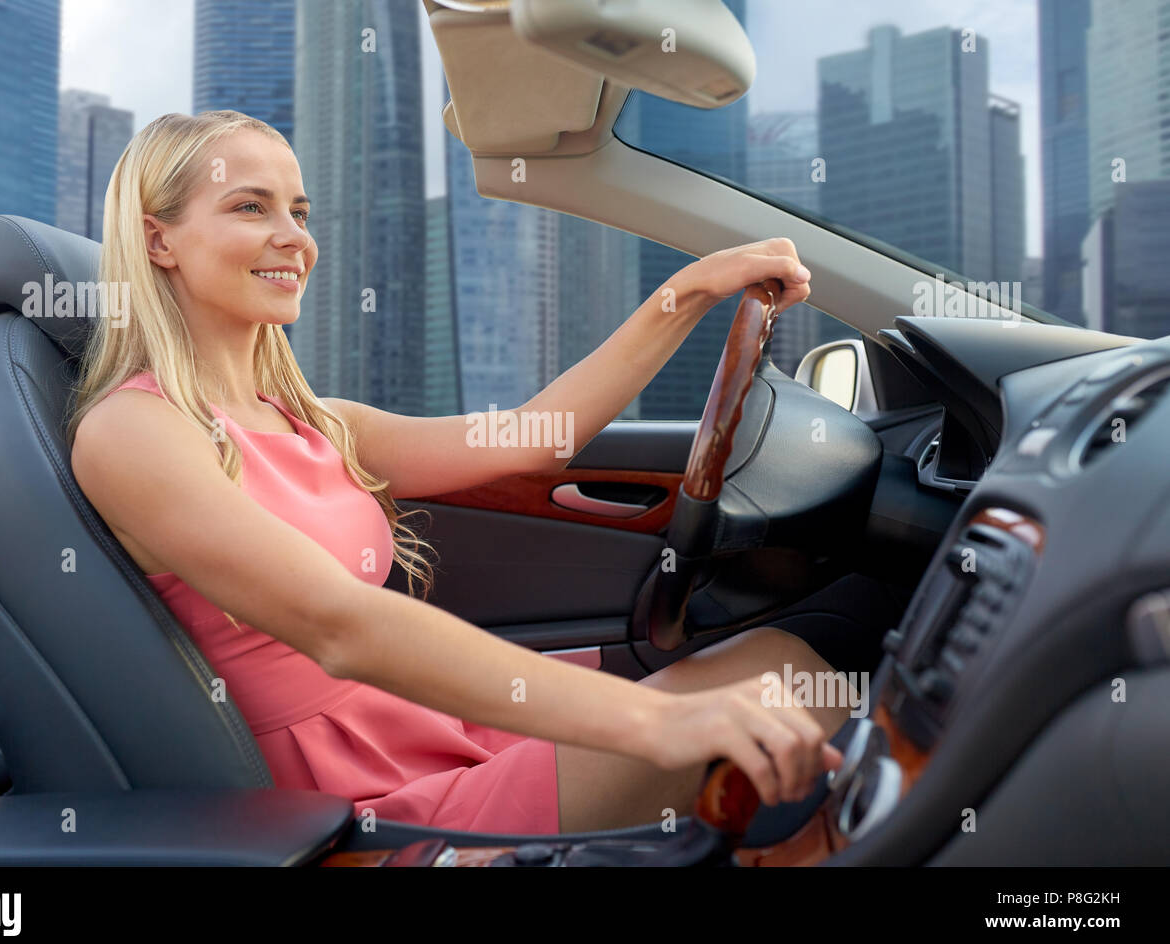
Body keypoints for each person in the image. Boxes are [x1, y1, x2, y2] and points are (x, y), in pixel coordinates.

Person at [69, 110, 846, 837]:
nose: (294, 239)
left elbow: (534, 439)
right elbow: (340, 626)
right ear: (159, 241)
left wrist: (690, 292)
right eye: (250, 207)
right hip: (357, 808)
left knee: (790, 670)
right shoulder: (134, 430)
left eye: (300, 213)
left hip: (428, 727)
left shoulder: (320, 423)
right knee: (735, 718)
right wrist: (656, 721)